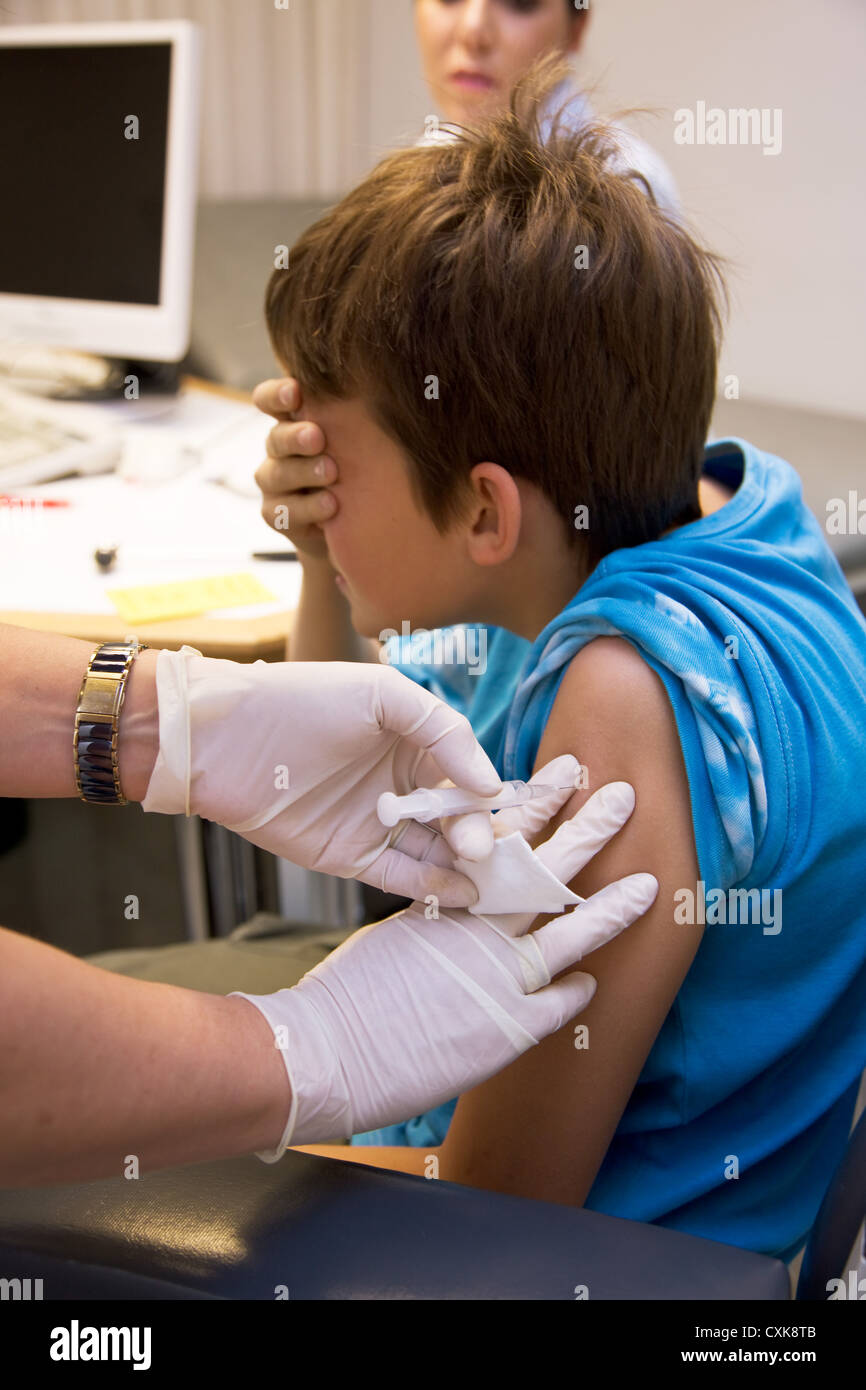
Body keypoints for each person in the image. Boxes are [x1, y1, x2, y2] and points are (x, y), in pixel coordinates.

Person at [253, 58, 866, 1264]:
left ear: (485, 514)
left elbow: (496, 1200)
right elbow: (351, 764)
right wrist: (322, 553)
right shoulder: (725, 510)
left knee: (118, 1145)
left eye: (332, 456)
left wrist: (213, 1151)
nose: (301, 475)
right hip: (590, 1204)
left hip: (594, 1262)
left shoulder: (625, 696)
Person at [0, 618, 657, 1186]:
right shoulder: (622, 672)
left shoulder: (620, 682)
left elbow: (506, 1185)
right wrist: (315, 1050)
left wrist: (166, 721)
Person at [413, 0, 679, 214]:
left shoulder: (629, 186)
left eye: (519, 3)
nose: (473, 31)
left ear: (576, 28)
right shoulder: (414, 175)